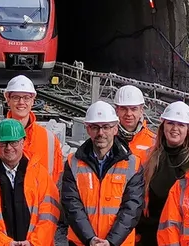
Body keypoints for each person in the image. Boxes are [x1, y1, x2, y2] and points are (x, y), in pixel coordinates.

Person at [61, 101, 144, 246]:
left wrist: (111, 242)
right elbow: (72, 205)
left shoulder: (133, 164)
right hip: (81, 242)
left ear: (115, 129)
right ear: (88, 129)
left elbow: (131, 209)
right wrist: (90, 239)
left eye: (106, 127)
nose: (101, 133)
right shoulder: (72, 163)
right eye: (95, 127)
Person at [0, 119, 61, 246]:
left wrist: (34, 243)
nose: (8, 147)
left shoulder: (40, 174)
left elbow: (49, 214)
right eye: (3, 143)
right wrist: (5, 244)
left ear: (23, 142)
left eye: (14, 142)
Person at [0, 75, 65, 184]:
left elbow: (56, 181)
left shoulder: (49, 140)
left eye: (26, 97)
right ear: (8, 100)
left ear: (33, 101)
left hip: (38, 200)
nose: (21, 102)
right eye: (16, 97)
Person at [135, 101, 189, 246]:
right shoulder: (147, 157)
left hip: (182, 234)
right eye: (170, 123)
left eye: (181, 125)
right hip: (150, 234)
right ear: (163, 126)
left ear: (188, 129)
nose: (175, 128)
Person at [113, 85, 155, 165]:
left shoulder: (155, 143)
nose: (128, 114)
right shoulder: (106, 139)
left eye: (133, 109)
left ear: (141, 110)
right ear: (116, 110)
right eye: (123, 108)